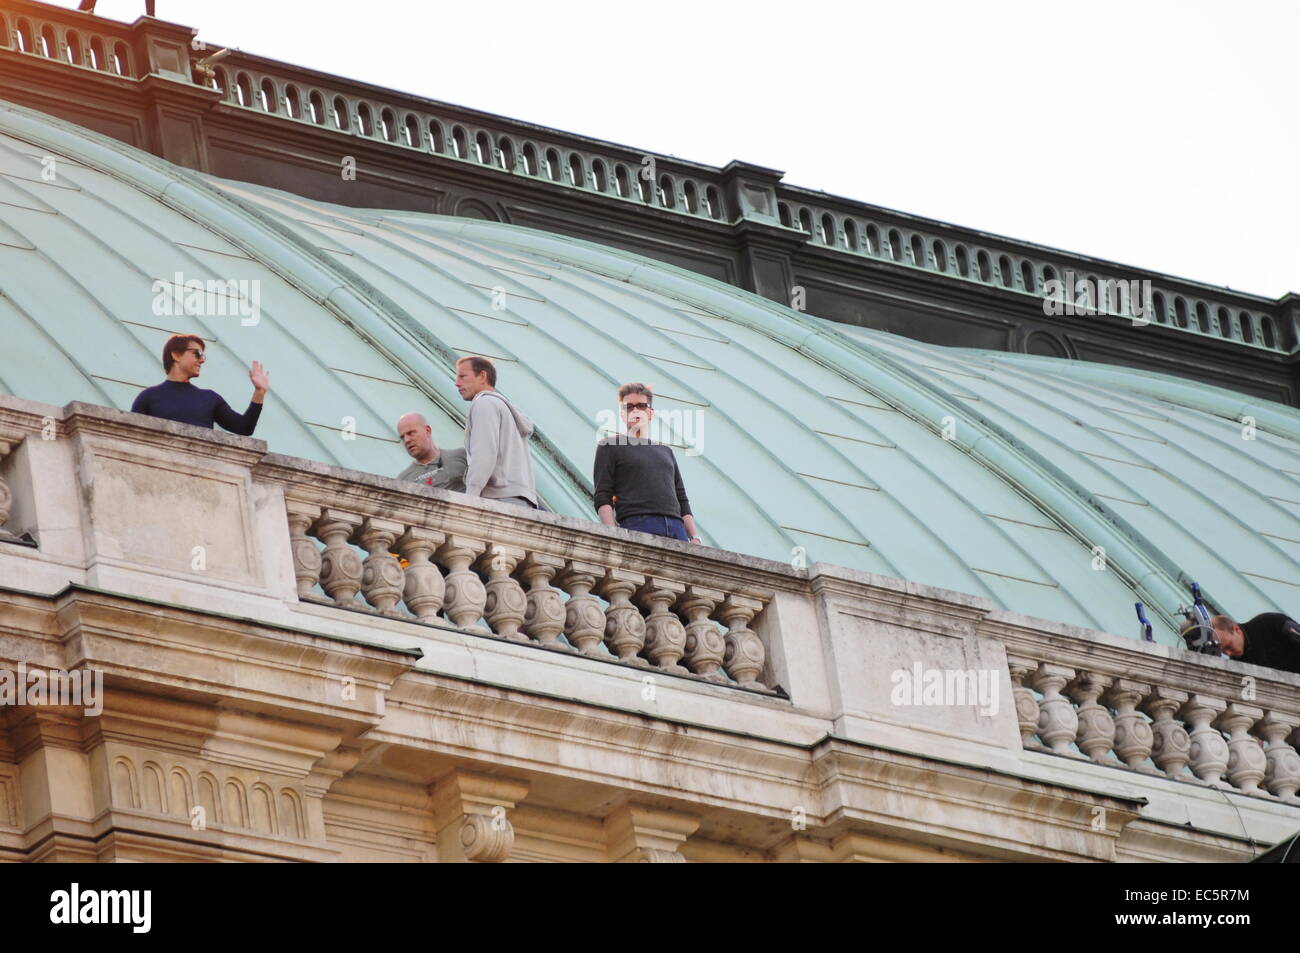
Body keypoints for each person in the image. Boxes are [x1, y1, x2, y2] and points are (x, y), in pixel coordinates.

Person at [593, 382, 701, 543]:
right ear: (622, 414)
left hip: (676, 527)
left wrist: (695, 537)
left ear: (650, 413)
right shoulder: (609, 446)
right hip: (638, 523)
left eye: (641, 406)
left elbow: (681, 499)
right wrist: (613, 534)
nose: (635, 410)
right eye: (629, 407)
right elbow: (603, 495)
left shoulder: (666, 451)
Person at [131, 334, 268, 435]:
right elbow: (131, 437)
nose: (202, 360)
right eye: (197, 354)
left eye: (203, 355)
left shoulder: (209, 398)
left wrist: (259, 392)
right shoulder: (148, 397)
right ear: (176, 355)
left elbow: (244, 428)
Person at [454, 356, 538, 508]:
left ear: (482, 376)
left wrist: (470, 497)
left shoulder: (484, 404)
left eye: (462, 376)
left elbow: (484, 454)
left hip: (500, 500)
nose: (457, 383)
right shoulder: (504, 407)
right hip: (521, 499)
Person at [395, 413, 467, 491]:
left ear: (427, 431)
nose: (406, 440)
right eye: (402, 437)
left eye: (411, 433)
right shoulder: (403, 480)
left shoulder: (461, 456)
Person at [1211, 613, 1300, 675]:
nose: (1229, 653)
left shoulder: (1268, 623)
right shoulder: (1237, 666)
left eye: (1229, 646)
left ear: (1236, 629)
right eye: (1224, 652)